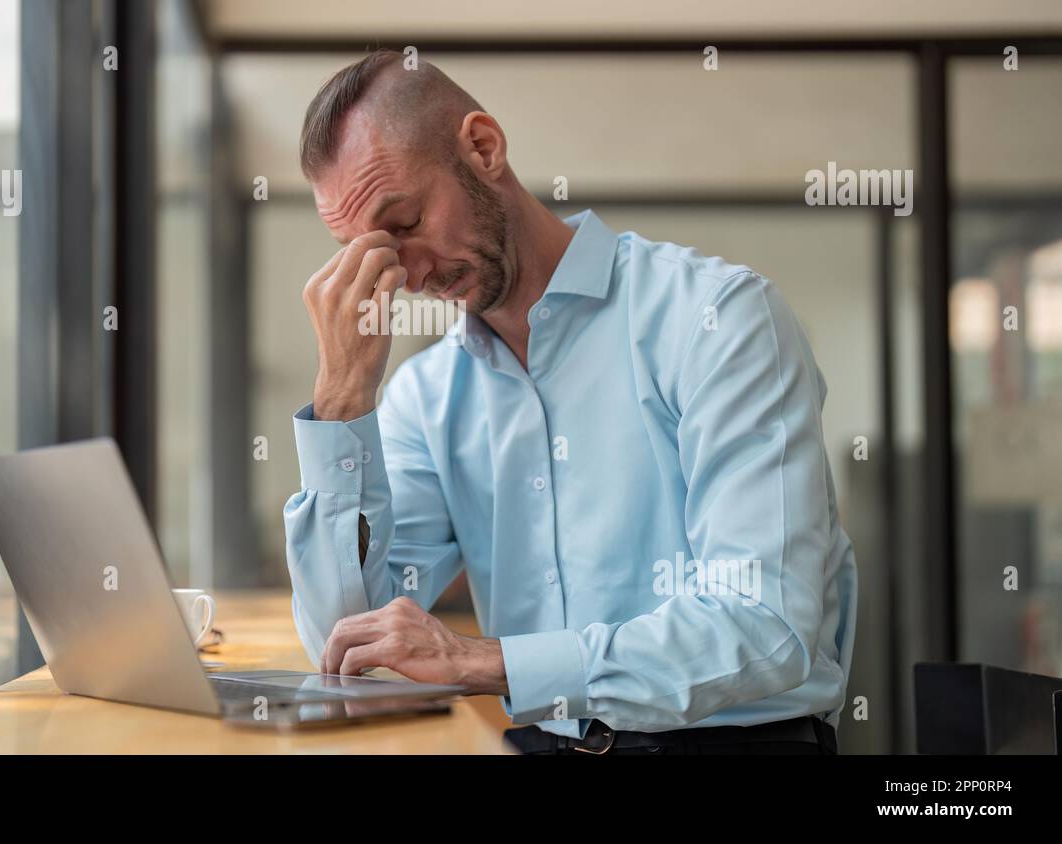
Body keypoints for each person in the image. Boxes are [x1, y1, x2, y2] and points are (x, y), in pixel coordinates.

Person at [283, 50, 856, 754]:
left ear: (483, 147)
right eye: (369, 251)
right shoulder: (425, 397)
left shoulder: (718, 320)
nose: (406, 274)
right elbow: (346, 644)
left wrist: (482, 662)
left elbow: (768, 627)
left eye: (404, 223)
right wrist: (343, 402)